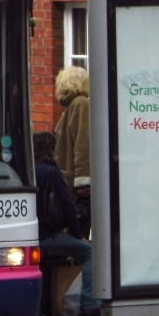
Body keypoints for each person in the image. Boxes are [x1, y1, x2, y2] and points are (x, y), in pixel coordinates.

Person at [34, 130, 100, 316]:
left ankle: (42, 305)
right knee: (90, 253)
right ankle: (90, 305)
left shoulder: (26, 171)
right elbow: (68, 207)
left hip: (30, 235)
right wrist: (78, 234)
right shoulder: (51, 172)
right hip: (48, 236)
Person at [54, 65, 91, 236]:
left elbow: (83, 143)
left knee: (77, 232)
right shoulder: (72, 106)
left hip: (75, 184)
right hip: (69, 180)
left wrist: (84, 181)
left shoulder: (80, 104)